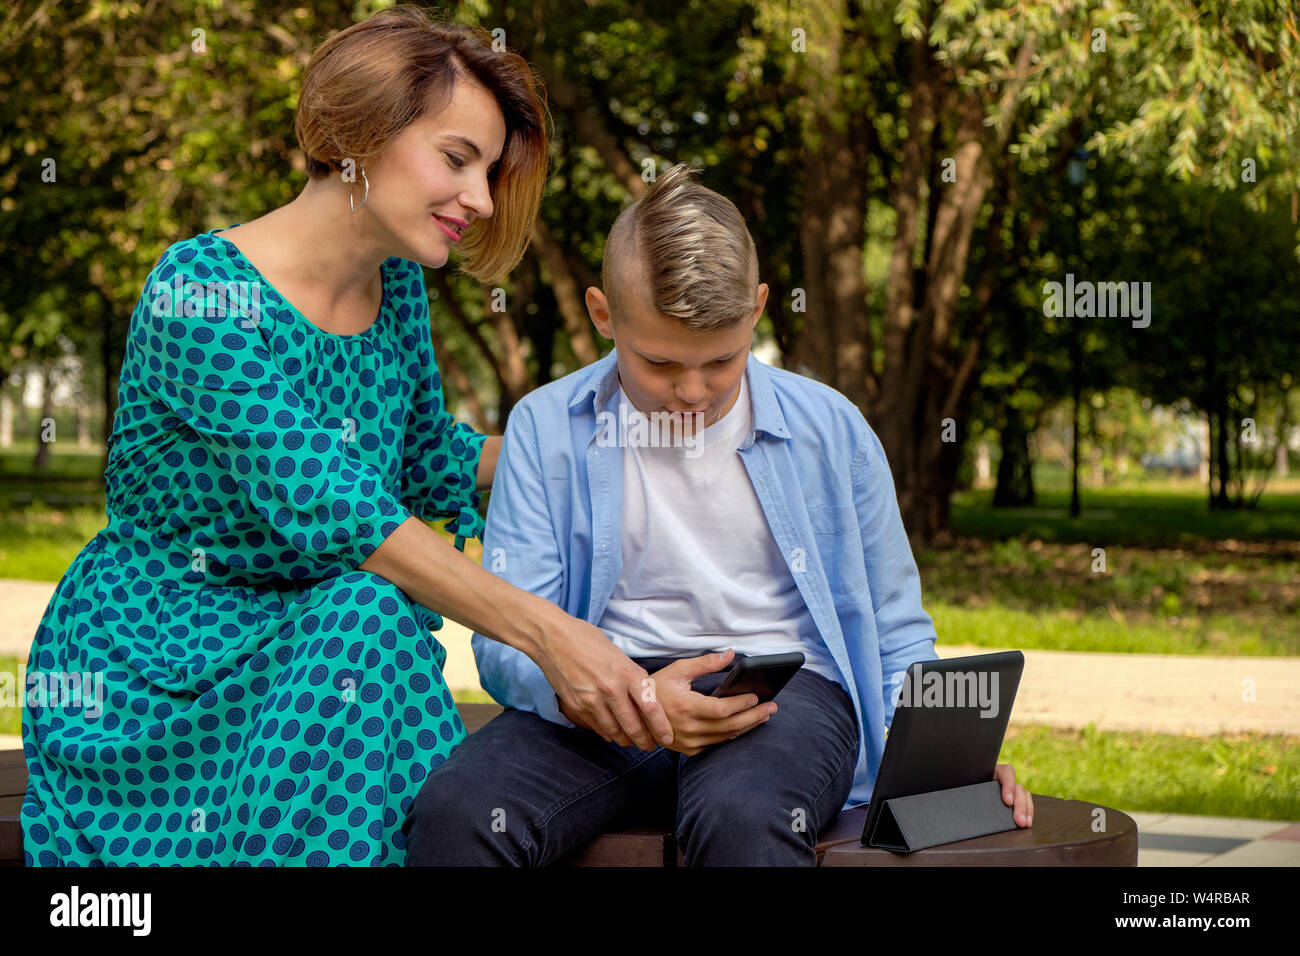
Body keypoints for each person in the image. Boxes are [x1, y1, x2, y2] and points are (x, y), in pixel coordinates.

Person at [20, 7, 671, 868]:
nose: (480, 201)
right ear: (361, 133)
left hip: (314, 656)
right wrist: (548, 635)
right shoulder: (199, 297)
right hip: (162, 671)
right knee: (370, 621)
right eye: (456, 158)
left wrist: (624, 432)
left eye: (488, 171)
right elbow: (339, 508)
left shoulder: (395, 285)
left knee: (364, 633)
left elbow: (426, 458)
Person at [403, 163, 1034, 866]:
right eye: (661, 364)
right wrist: (632, 697)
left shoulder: (833, 428)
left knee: (743, 817)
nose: (692, 393)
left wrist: (945, 776)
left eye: (720, 361)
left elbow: (894, 626)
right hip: (602, 693)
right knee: (456, 813)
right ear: (602, 313)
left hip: (785, 696)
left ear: (758, 309)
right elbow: (506, 643)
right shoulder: (544, 428)